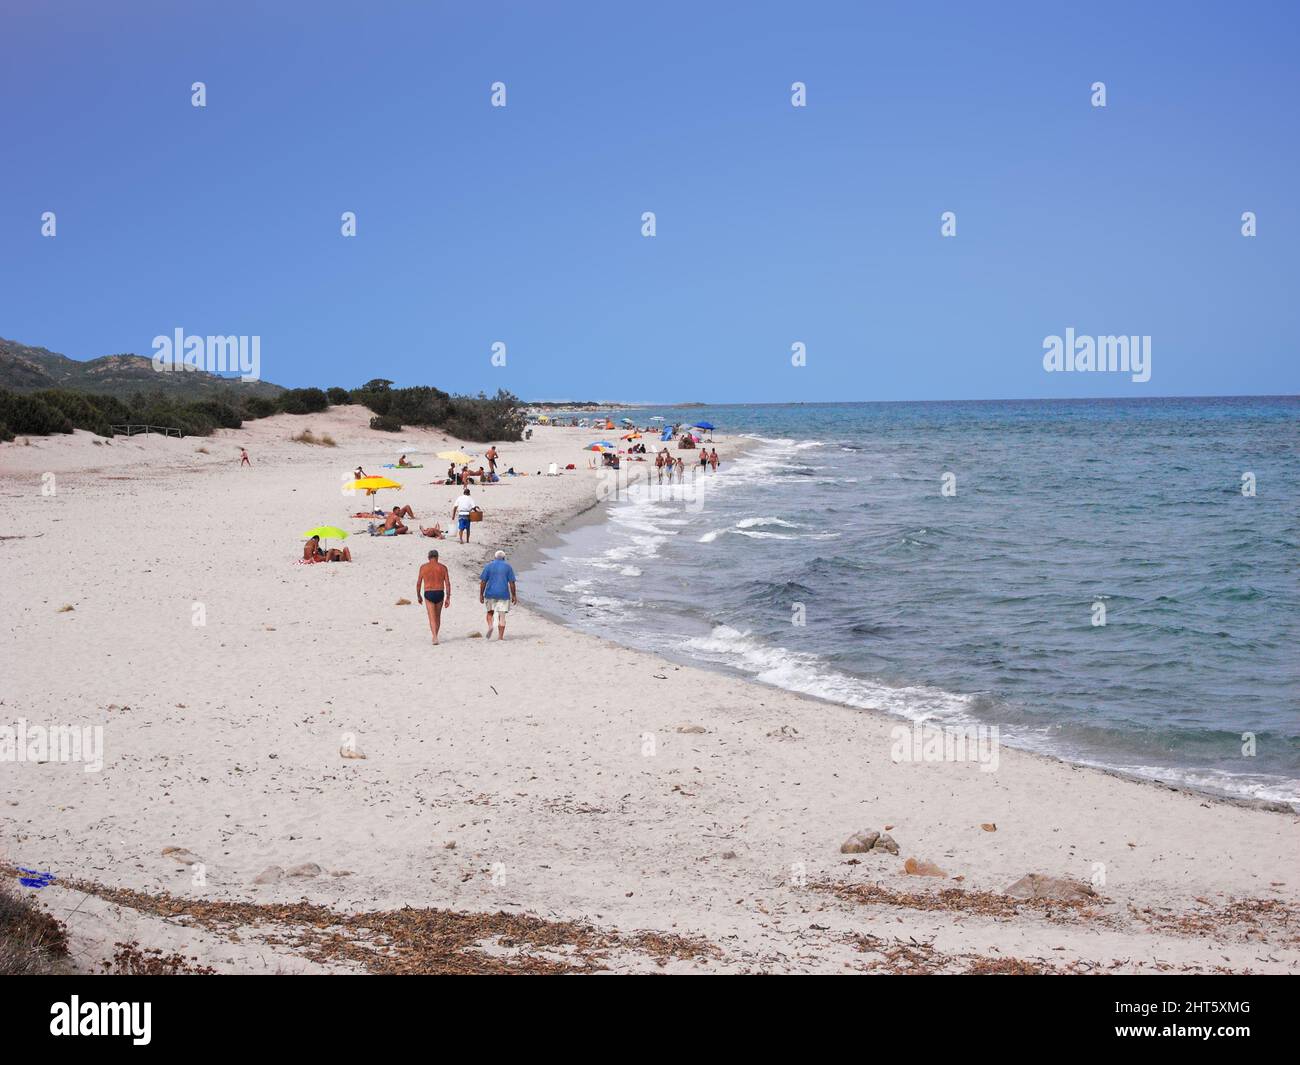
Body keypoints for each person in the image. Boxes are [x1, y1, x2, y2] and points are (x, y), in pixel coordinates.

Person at [479, 549, 517, 640]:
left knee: (490, 612)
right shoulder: (508, 567)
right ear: (504, 558)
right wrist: (514, 595)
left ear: (494, 557)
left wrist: (481, 594)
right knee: (502, 616)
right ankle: (500, 637)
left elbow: (483, 581)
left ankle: (491, 626)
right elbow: (512, 583)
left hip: (490, 593)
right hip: (503, 594)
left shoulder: (489, 566)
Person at [416, 549, 452, 644]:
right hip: (440, 592)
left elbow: (419, 583)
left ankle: (435, 637)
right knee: (438, 616)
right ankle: (436, 635)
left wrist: (418, 595)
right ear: (437, 557)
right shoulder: (443, 567)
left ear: (428, 558)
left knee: (431, 617)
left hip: (429, 593)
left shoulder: (423, 567)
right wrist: (448, 597)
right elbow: (447, 583)